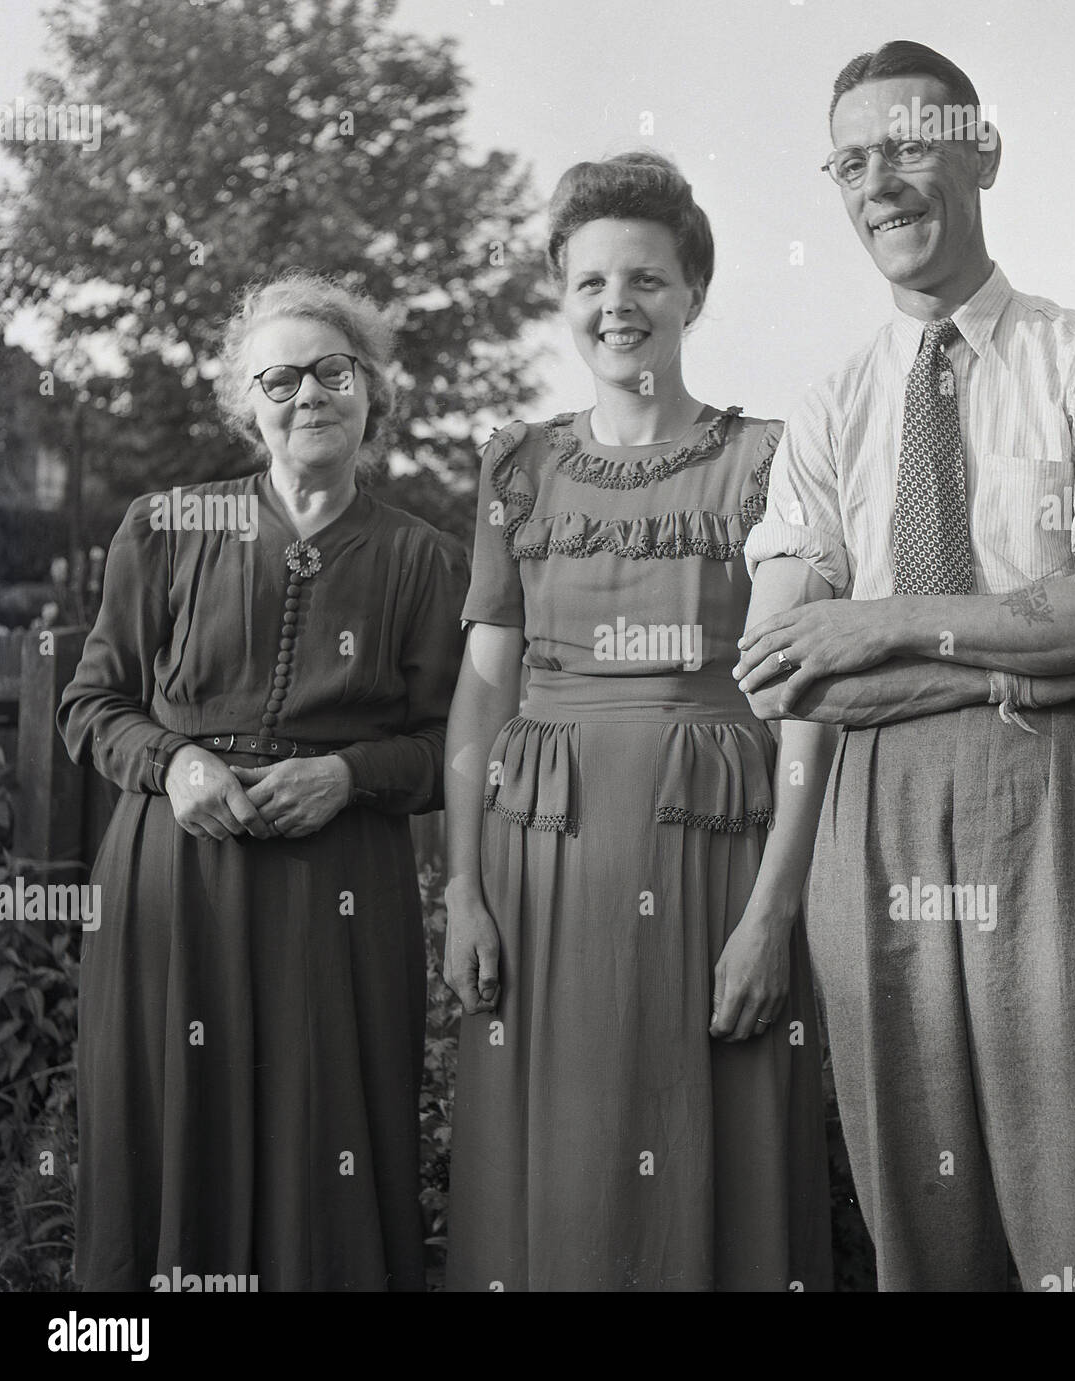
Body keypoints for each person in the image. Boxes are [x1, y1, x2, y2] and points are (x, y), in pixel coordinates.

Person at [735, 41, 1075, 1292]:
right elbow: (786, 671)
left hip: (1066, 806)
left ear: (980, 149)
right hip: (871, 824)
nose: (877, 183)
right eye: (849, 162)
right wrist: (1030, 651)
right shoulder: (827, 408)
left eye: (905, 146)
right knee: (921, 1220)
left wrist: (883, 624)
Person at [443, 151, 833, 1291]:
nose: (618, 306)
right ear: (562, 300)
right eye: (590, 283)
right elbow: (479, 691)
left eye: (647, 280)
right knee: (554, 1156)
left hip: (713, 851)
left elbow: (803, 706)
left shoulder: (769, 460)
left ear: (694, 293)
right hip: (541, 861)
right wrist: (462, 887)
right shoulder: (515, 465)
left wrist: (774, 912)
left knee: (719, 1148)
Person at [58, 270, 468, 1291]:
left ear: (370, 386)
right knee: (166, 1117)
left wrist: (348, 771)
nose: (307, 394)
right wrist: (176, 758)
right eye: (277, 377)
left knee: (324, 1129)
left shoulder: (428, 561)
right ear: (247, 403)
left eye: (332, 369)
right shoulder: (164, 527)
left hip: (338, 895)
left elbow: (448, 749)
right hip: (174, 880)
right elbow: (90, 704)